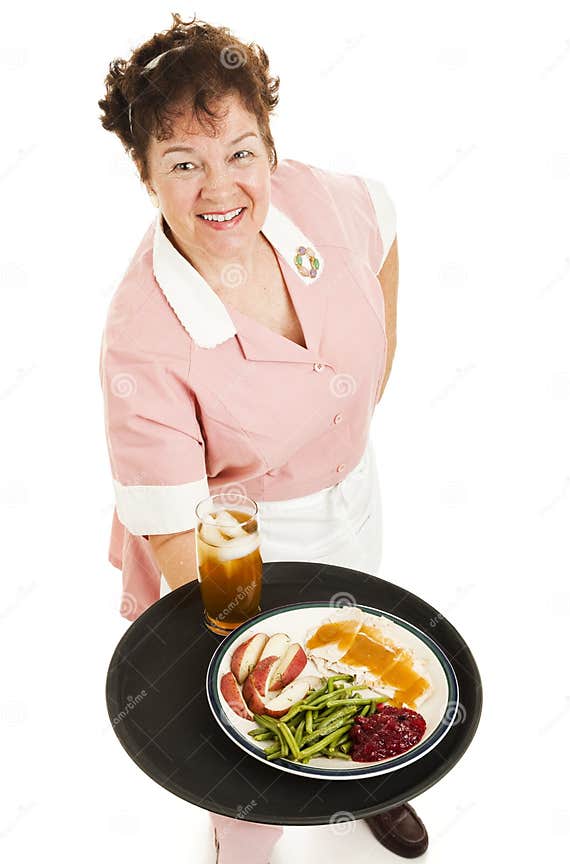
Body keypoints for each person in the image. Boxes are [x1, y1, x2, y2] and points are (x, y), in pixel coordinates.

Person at [98, 12, 428, 863]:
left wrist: (367, 390)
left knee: (361, 657)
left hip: (353, 495)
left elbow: (383, 231)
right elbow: (173, 527)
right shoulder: (144, 337)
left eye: (241, 152)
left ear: (270, 149)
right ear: (145, 173)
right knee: (258, 725)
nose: (221, 187)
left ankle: (369, 774)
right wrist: (250, 644)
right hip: (237, 545)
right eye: (183, 163)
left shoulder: (315, 198)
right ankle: (244, 840)